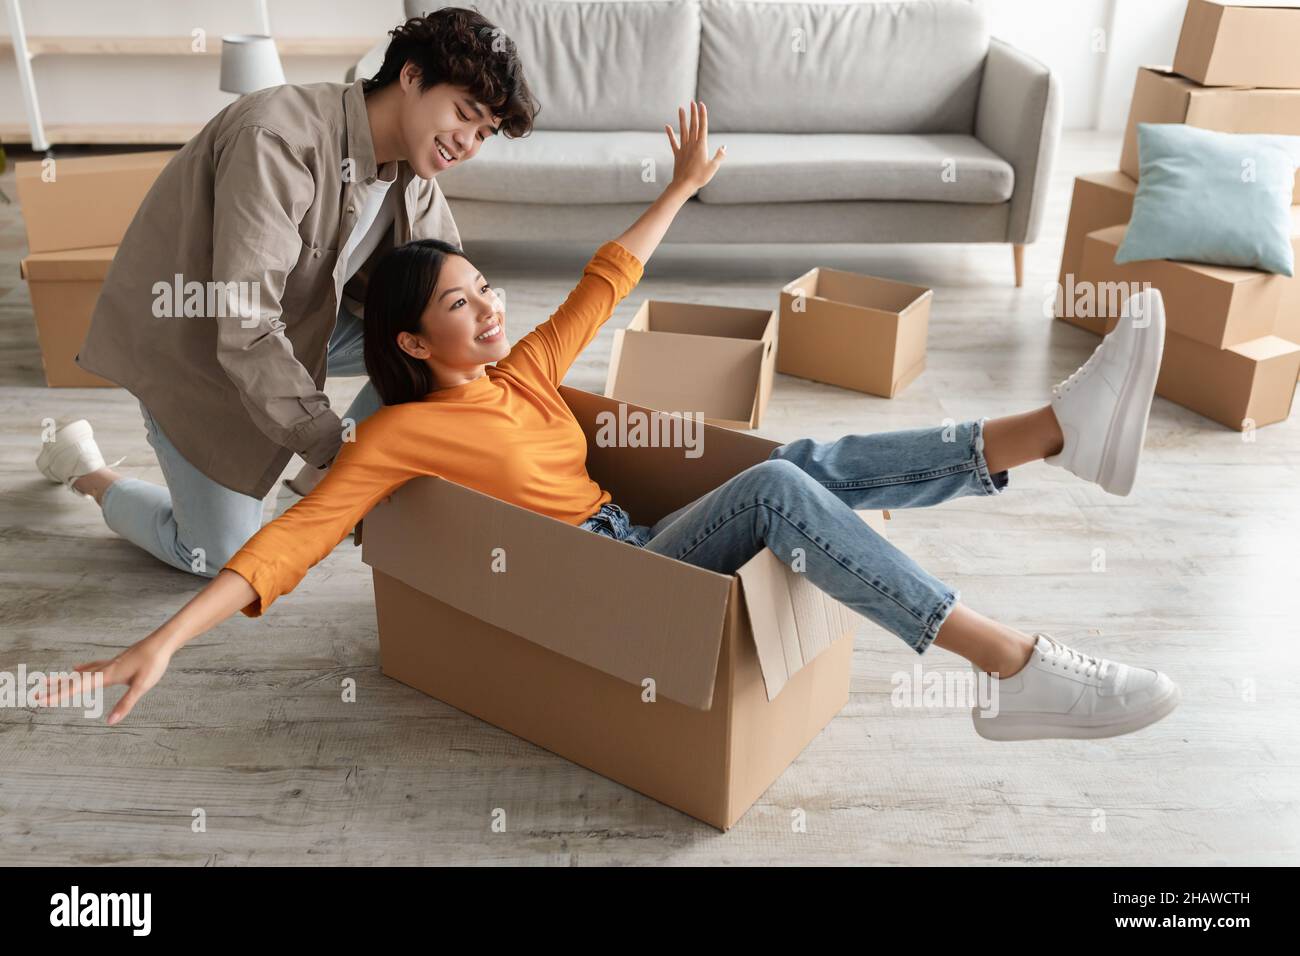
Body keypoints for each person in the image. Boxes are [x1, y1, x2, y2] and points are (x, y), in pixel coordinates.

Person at [39, 101, 1179, 743]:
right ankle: (1009, 655)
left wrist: (685, 179)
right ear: (408, 345)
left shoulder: (523, 367)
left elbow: (607, 275)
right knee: (788, 483)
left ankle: (1054, 437)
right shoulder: (396, 436)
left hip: (640, 544)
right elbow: (285, 543)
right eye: (460, 303)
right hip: (608, 580)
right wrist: (162, 645)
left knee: (793, 463)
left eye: (485, 287)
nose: (491, 307)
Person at [34, 8, 537, 577]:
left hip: (302, 331)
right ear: (412, 77)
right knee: (217, 555)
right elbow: (244, 326)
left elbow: (456, 306)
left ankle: (315, 487)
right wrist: (339, 450)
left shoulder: (415, 176)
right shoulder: (277, 136)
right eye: (464, 116)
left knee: (436, 338)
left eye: (482, 134)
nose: (466, 143)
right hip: (199, 350)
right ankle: (86, 471)